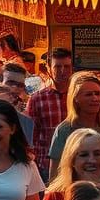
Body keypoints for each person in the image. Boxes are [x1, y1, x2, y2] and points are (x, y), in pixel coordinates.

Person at [48, 73, 100, 196]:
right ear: (76, 98)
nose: (95, 98)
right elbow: (55, 176)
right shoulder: (64, 130)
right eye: (88, 94)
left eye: (97, 94)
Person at [26, 48, 74, 180]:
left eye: (66, 66)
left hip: (75, 164)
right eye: (57, 67)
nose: (62, 71)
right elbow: (31, 136)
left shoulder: (78, 96)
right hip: (46, 165)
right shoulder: (37, 98)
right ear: (48, 68)